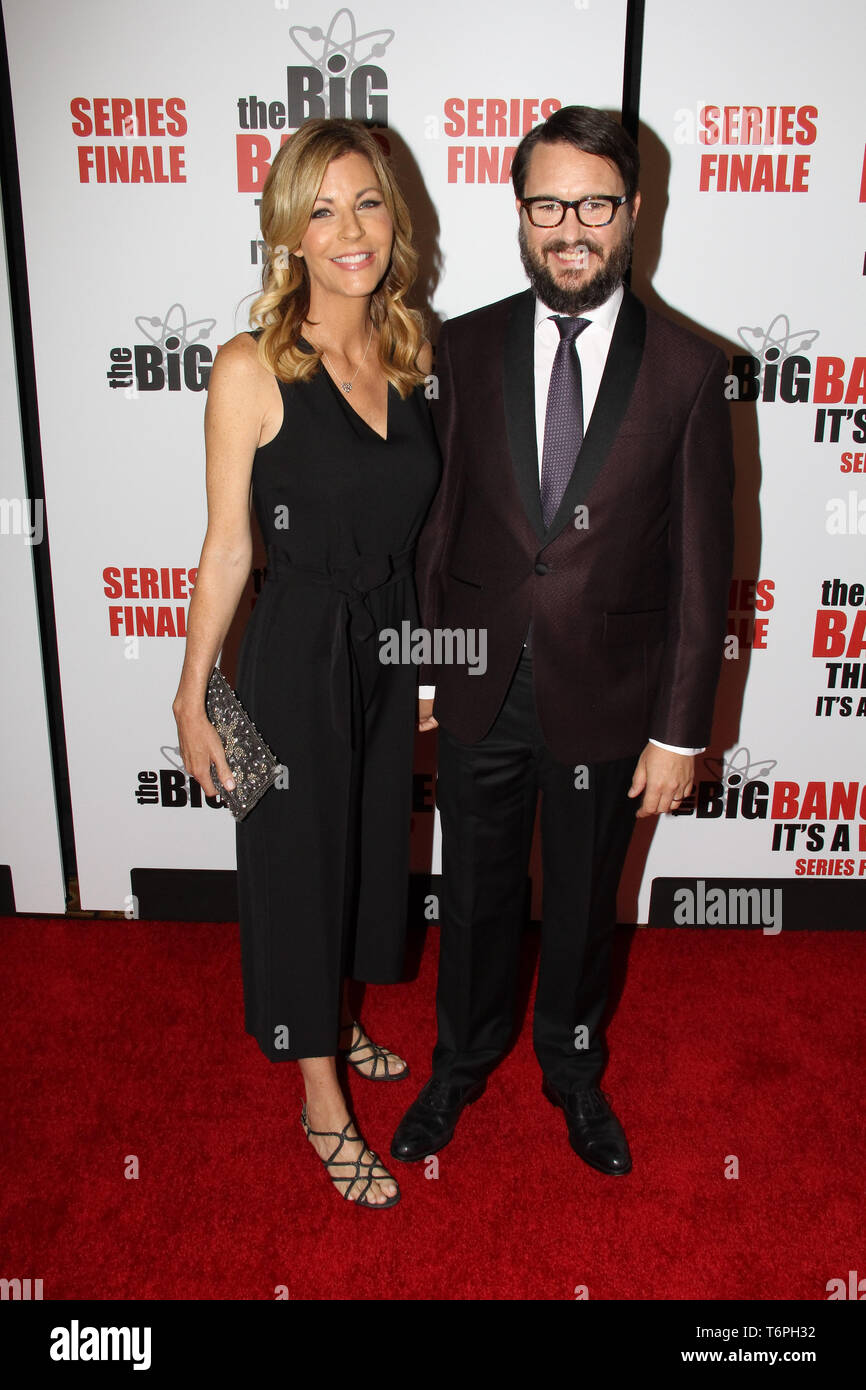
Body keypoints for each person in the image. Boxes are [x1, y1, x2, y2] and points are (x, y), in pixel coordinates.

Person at [391, 105, 734, 1176]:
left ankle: (573, 1074)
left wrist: (680, 734)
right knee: (476, 890)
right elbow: (434, 524)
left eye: (593, 203)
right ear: (519, 213)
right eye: (546, 204)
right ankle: (458, 1064)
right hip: (478, 687)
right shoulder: (460, 345)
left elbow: (698, 566)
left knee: (585, 907)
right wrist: (422, 667)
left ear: (632, 211)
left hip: (606, 699)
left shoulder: (689, 371)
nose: (568, 227)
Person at [173, 118, 440, 1208]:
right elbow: (230, 544)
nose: (349, 230)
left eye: (367, 202)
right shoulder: (251, 366)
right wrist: (193, 696)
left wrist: (419, 666)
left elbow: (424, 535)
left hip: (384, 641)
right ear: (287, 229)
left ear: (395, 217)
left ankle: (337, 1013)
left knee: (370, 846)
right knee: (296, 858)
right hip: (291, 651)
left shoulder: (411, 352)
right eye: (321, 208)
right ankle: (316, 1091)